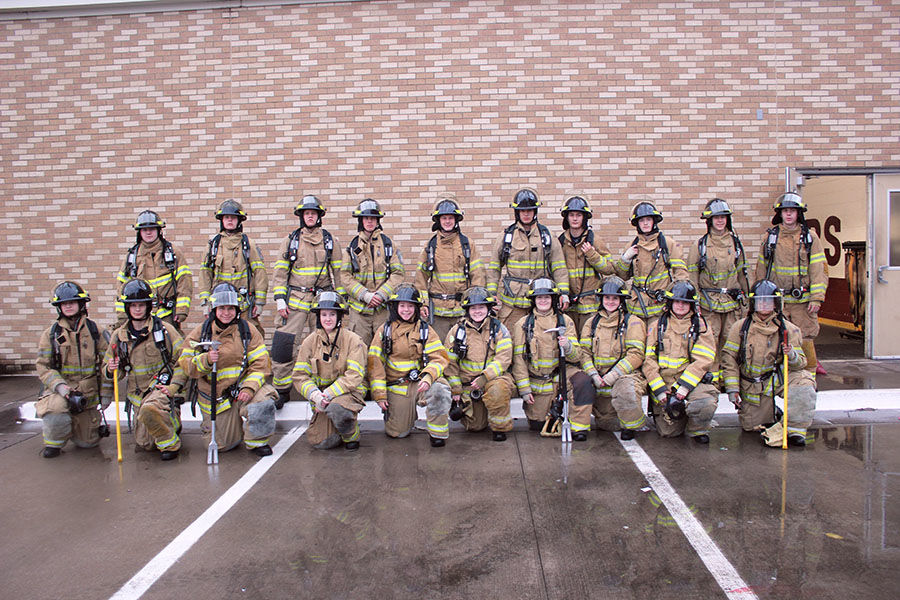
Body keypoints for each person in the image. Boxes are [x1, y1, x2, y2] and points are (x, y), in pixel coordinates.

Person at [179, 283, 278, 457]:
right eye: (222, 308)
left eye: (230, 308)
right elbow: (186, 365)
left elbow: (261, 364)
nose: (226, 313)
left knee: (264, 402)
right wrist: (206, 360)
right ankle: (233, 429)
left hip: (242, 391)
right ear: (214, 309)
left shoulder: (248, 331)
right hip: (217, 399)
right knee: (224, 445)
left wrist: (249, 388)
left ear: (237, 309)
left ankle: (257, 442)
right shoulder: (200, 334)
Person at [720, 279, 817, 447]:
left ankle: (795, 430)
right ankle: (774, 413)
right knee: (752, 428)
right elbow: (729, 360)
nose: (764, 304)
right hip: (752, 386)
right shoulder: (740, 328)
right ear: (753, 303)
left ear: (776, 303)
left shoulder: (788, 329)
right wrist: (733, 389)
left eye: (768, 300)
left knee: (804, 382)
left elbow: (801, 363)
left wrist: (791, 354)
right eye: (760, 300)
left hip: (775, 380)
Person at [271, 195, 344, 408]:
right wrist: (279, 300)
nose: (310, 217)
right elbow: (280, 273)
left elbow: (338, 274)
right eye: (306, 214)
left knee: (324, 344)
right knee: (284, 345)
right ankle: (282, 390)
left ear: (319, 216)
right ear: (302, 216)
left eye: (313, 213)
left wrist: (340, 303)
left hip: (322, 302)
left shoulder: (330, 241)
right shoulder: (291, 241)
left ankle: (323, 386)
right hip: (294, 300)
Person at [104, 279, 186, 460]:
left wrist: (173, 387)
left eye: (141, 305)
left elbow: (183, 361)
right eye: (133, 305)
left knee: (150, 411)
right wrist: (111, 369)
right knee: (145, 444)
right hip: (137, 398)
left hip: (160, 391)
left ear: (149, 306)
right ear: (127, 308)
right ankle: (168, 424)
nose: (138, 309)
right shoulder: (119, 336)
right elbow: (110, 369)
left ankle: (171, 445)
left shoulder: (164, 330)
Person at [367, 284, 452, 447]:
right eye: (402, 305)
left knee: (440, 391)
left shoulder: (425, 330)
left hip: (421, 383)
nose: (406, 310)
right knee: (398, 433)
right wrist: (379, 395)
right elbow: (375, 365)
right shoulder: (384, 331)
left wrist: (428, 377)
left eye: (410, 306)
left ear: (416, 308)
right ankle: (405, 416)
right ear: (395, 307)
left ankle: (437, 434)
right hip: (397, 387)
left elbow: (439, 358)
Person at [35, 282, 112, 458]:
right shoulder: (50, 335)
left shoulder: (96, 332)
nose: (68, 306)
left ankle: (76, 427)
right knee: (55, 410)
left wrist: (105, 395)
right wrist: (60, 387)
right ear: (59, 307)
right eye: (64, 303)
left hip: (88, 394)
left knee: (87, 443)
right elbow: (43, 366)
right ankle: (54, 443)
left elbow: (107, 364)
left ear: (81, 304)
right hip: (61, 392)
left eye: (72, 302)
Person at [510, 278, 594, 439]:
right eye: (539, 297)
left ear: (553, 299)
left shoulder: (565, 321)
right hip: (538, 382)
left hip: (561, 375)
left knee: (583, 380)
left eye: (547, 297)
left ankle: (579, 428)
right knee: (538, 426)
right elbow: (519, 360)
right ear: (533, 300)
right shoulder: (523, 324)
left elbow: (577, 355)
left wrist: (568, 346)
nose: (543, 300)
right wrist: (525, 390)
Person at [754, 191, 827, 375]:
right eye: (785, 211)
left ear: (798, 214)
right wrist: (760, 299)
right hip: (778, 301)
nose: (788, 214)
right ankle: (780, 376)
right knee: (776, 337)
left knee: (806, 337)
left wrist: (816, 298)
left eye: (792, 211)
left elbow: (818, 269)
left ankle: (808, 378)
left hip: (803, 301)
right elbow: (761, 270)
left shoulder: (810, 238)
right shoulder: (770, 238)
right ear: (779, 214)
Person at [642, 280, 718, 443]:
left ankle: (698, 429)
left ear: (691, 305)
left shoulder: (700, 326)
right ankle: (680, 416)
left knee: (705, 403)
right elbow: (649, 361)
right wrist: (659, 389)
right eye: (677, 301)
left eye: (685, 302)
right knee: (669, 432)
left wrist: (683, 388)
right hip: (665, 385)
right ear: (670, 302)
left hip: (691, 384)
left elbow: (702, 361)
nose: (681, 306)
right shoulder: (657, 326)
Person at [685, 198, 750, 386]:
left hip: (731, 302)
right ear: (709, 220)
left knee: (730, 343)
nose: (720, 221)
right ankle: (711, 383)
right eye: (716, 218)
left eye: (723, 217)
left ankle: (728, 383)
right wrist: (694, 302)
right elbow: (692, 274)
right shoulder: (700, 245)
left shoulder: (735, 244)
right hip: (708, 303)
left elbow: (743, 272)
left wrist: (749, 297)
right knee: (709, 343)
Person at [293, 291, 368, 451]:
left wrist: (328, 394)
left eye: (332, 314)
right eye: (324, 314)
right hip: (322, 397)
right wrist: (315, 395)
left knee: (337, 409)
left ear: (339, 317)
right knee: (322, 443)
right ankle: (337, 426)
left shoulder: (353, 340)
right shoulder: (309, 342)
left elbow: (354, 376)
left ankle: (351, 435)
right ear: (318, 317)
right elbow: (300, 376)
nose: (328, 319)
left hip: (348, 393)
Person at [487, 188, 569, 332]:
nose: (526, 214)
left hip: (539, 303)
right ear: (516, 212)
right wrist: (492, 294)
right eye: (522, 211)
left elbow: (559, 267)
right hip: (511, 305)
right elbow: (494, 268)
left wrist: (563, 293)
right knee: (510, 342)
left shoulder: (547, 236)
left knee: (540, 341)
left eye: (529, 210)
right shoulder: (506, 237)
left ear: (535, 211)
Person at [577, 276, 649, 440]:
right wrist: (593, 374)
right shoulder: (591, 323)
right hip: (599, 380)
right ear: (601, 299)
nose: (610, 301)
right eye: (607, 297)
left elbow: (636, 354)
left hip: (624, 376)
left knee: (625, 390)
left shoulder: (633, 322)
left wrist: (614, 375)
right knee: (606, 424)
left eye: (615, 298)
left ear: (622, 300)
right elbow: (584, 352)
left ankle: (632, 426)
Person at [444, 287, 515, 441]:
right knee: (475, 426)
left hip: (494, 379)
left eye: (481, 307)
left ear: (488, 308)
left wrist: (485, 377)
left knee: (498, 390)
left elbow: (504, 358)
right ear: (467, 310)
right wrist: (456, 389)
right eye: (473, 308)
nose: (477, 311)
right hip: (469, 385)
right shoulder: (456, 332)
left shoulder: (499, 329)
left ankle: (499, 428)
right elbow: (450, 364)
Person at [415, 193, 487, 342]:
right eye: (444, 218)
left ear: (456, 220)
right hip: (438, 315)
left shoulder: (467, 245)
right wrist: (423, 303)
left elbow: (477, 276)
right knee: (438, 352)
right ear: (438, 220)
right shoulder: (430, 246)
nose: (447, 221)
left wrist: (476, 305)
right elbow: (420, 278)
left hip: (462, 311)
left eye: (450, 218)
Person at [198, 199, 268, 335]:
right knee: (218, 335)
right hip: (219, 305)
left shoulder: (248, 244)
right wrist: (205, 303)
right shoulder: (213, 245)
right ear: (221, 220)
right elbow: (205, 275)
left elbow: (260, 273)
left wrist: (259, 303)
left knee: (250, 334)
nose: (230, 220)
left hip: (244, 305)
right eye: (227, 217)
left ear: (239, 220)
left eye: (233, 218)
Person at [341, 198, 405, 346]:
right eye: (366, 218)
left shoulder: (389, 245)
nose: (370, 222)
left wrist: (381, 294)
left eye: (373, 218)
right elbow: (345, 276)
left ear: (378, 220)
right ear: (360, 220)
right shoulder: (352, 247)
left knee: (383, 349)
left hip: (382, 310)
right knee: (358, 351)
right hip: (359, 312)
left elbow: (398, 274)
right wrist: (365, 295)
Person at [115, 210, 192, 330]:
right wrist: (122, 315)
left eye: (152, 228)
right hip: (141, 315)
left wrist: (181, 310)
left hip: (167, 314)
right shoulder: (132, 257)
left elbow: (184, 281)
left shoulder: (172, 253)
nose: (148, 232)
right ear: (139, 232)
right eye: (144, 229)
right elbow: (122, 286)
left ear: (159, 230)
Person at [614, 201, 688, 322]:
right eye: (642, 220)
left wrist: (679, 299)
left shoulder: (668, 244)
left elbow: (681, 274)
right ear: (637, 223)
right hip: (637, 307)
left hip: (660, 306)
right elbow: (623, 276)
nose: (645, 223)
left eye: (648, 219)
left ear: (654, 221)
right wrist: (625, 259)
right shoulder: (631, 246)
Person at [558, 193, 614, 334]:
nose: (575, 218)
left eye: (578, 215)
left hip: (590, 305)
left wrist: (592, 254)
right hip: (568, 305)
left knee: (588, 342)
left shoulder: (594, 240)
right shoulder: (560, 242)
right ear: (566, 217)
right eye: (571, 215)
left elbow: (609, 268)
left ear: (584, 217)